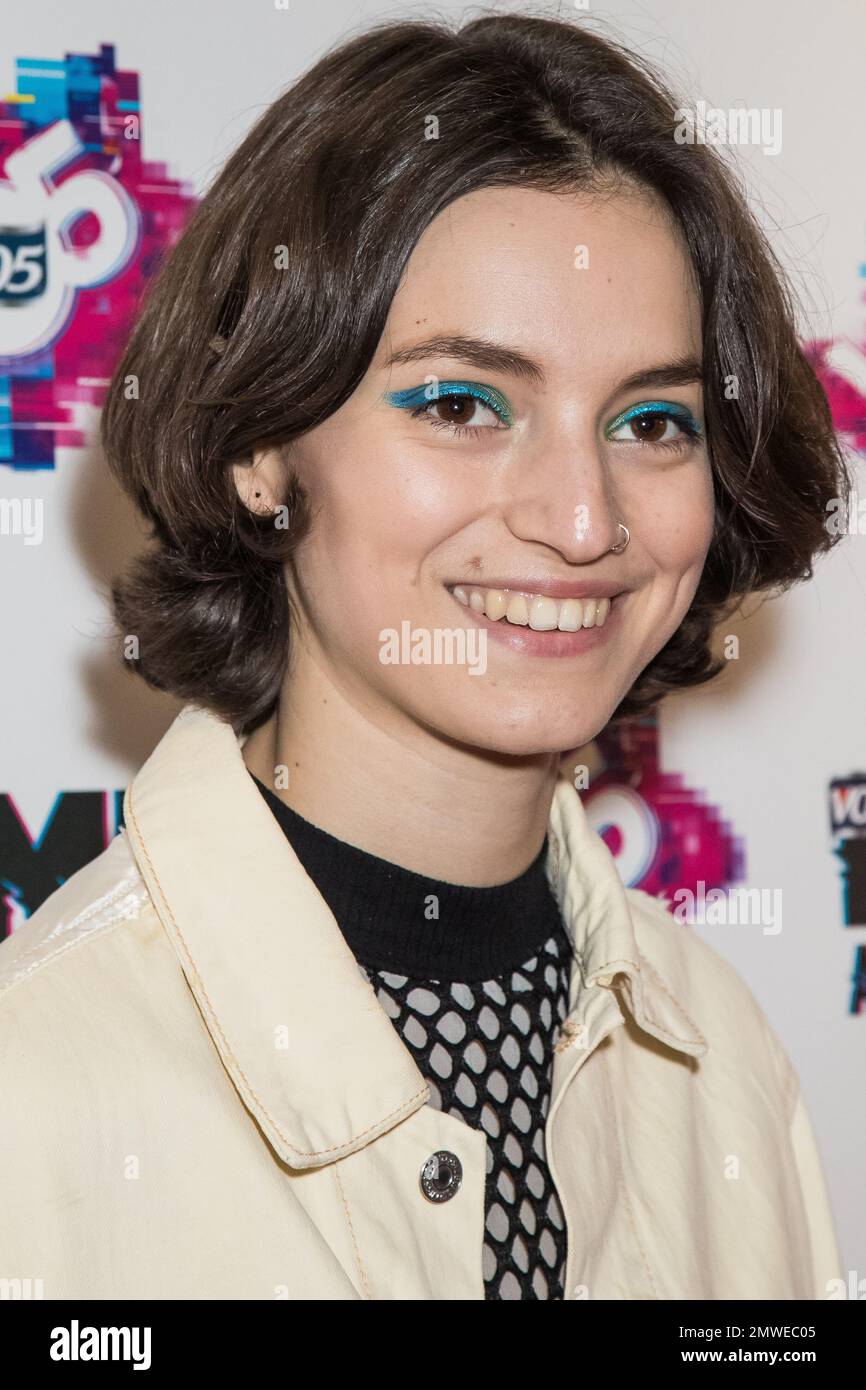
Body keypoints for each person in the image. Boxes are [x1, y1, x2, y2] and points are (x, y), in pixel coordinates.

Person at [0, 12, 848, 1300]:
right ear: (261, 449)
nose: (582, 520)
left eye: (652, 420)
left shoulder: (723, 1060)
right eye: (461, 404)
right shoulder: (36, 1081)